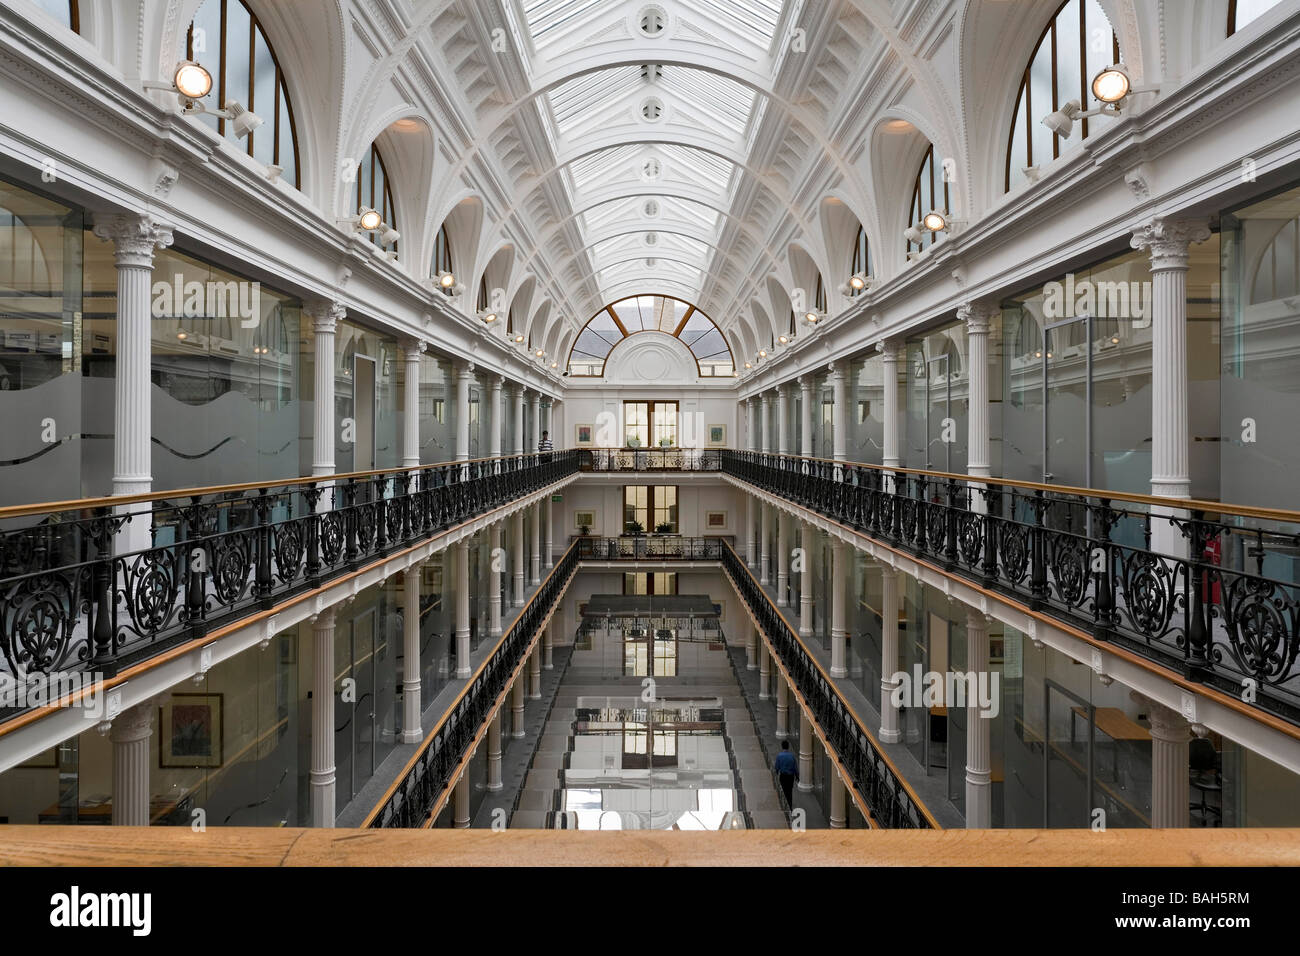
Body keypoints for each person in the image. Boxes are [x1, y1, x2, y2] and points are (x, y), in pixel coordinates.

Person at [774, 739, 798, 809]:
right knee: (789, 791)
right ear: (788, 747)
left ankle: (784, 805)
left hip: (783, 776)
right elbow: (795, 767)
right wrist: (797, 776)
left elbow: (777, 767)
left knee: (783, 790)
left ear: (782, 747)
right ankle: (790, 806)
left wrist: (776, 774)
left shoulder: (779, 756)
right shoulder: (792, 756)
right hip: (790, 777)